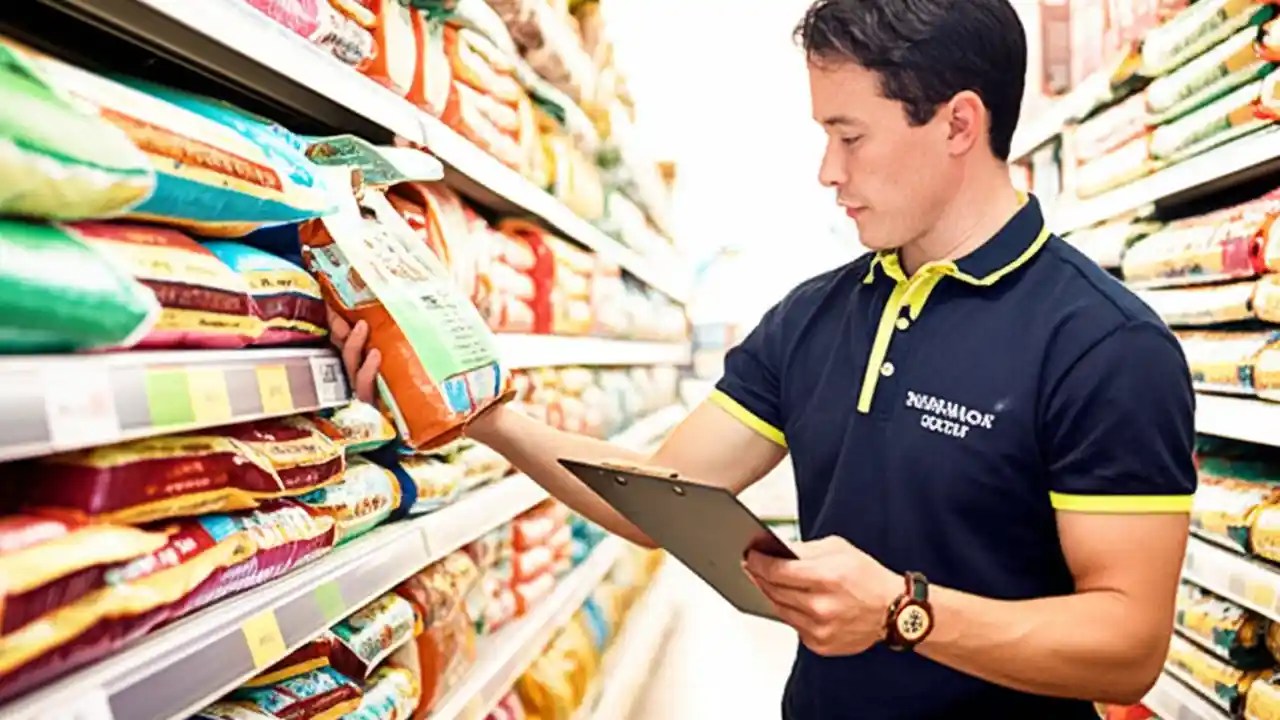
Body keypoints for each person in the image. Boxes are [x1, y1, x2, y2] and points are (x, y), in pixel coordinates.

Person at [332, 0, 1196, 717]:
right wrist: (486, 415)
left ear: (958, 123)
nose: (826, 169)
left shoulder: (1105, 345)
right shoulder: (814, 316)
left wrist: (906, 613)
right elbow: (656, 499)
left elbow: (1127, 647)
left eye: (849, 136)